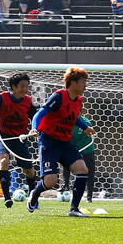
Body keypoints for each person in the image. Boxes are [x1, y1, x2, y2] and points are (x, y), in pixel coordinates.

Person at [28, 66, 96, 217]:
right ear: (73, 82)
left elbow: (74, 117)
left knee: (82, 169)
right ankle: (35, 193)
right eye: (83, 82)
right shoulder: (58, 97)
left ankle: (73, 209)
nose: (86, 85)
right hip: (49, 142)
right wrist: (34, 129)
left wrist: (85, 127)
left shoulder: (78, 100)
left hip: (65, 142)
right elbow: (40, 114)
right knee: (51, 181)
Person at [0, 72, 37, 209]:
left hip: (20, 138)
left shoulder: (28, 101)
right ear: (13, 86)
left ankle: (34, 198)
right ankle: (6, 197)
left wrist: (35, 129)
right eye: (22, 86)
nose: (24, 89)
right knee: (4, 161)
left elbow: (35, 117)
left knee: (28, 170)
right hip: (2, 136)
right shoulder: (1, 98)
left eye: (27, 86)